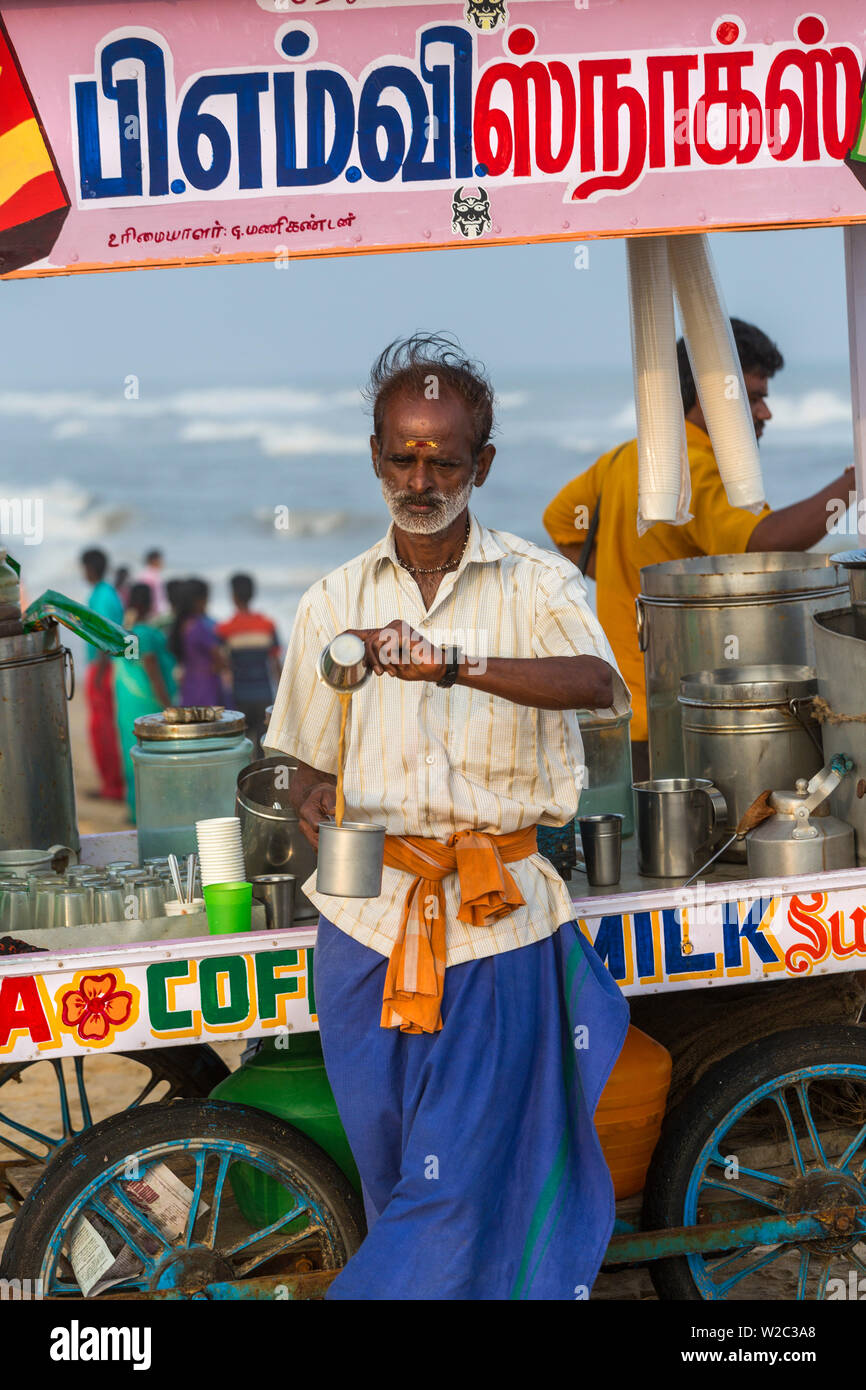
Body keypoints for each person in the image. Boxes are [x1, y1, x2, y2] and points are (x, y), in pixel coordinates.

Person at [267, 334, 631, 1301]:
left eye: (445, 458)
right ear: (376, 453)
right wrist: (302, 793)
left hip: (494, 919)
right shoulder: (329, 601)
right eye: (402, 455)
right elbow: (296, 758)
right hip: (364, 924)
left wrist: (455, 661)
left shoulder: (537, 582)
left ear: (485, 464)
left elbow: (599, 683)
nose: (421, 477)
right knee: (399, 1183)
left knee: (459, 1186)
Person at [542, 320, 856, 781]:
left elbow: (560, 520)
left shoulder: (626, 457)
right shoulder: (696, 466)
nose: (765, 412)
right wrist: (853, 483)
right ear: (710, 398)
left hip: (620, 710)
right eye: (751, 398)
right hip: (683, 715)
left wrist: (620, 577)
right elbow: (763, 543)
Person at [113, 583, 177, 819]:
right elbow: (151, 667)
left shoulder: (124, 632)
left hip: (127, 702)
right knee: (153, 754)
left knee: (132, 753)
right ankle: (153, 811)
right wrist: (167, 703)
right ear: (148, 603)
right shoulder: (147, 633)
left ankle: (135, 809)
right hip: (148, 702)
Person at [216, 574, 281, 754]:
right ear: (253, 594)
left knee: (241, 750)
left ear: (233, 596)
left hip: (239, 696)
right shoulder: (267, 625)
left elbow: (223, 666)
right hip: (264, 695)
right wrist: (283, 696)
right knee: (263, 750)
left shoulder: (225, 629)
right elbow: (276, 663)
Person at [80, 548, 125, 801]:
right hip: (104, 666)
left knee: (102, 727)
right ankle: (111, 783)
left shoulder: (102, 595)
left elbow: (106, 635)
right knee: (103, 726)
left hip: (102, 667)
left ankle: (112, 786)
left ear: (91, 568)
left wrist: (100, 670)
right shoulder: (105, 592)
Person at [169, 578, 226, 707]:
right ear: (198, 601)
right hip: (206, 686)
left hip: (189, 685)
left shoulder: (180, 625)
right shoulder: (199, 627)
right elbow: (218, 658)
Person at [135, 549, 168, 616]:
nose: (162, 562)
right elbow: (156, 599)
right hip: (153, 614)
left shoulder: (142, 574)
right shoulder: (153, 576)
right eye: (160, 560)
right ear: (154, 560)